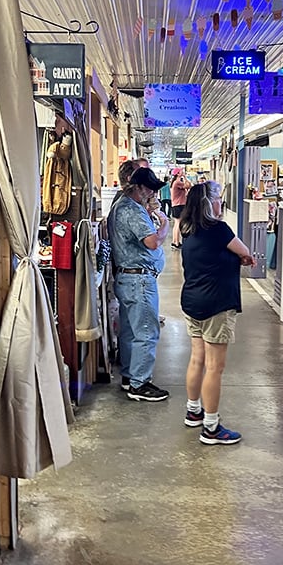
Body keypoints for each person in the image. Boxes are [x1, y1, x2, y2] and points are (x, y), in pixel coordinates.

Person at [179, 180, 255, 445]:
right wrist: (240, 258)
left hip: (192, 301)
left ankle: (194, 411)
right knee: (214, 367)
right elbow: (245, 252)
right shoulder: (219, 230)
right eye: (218, 198)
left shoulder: (187, 229)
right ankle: (211, 427)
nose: (220, 203)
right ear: (208, 202)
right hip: (216, 304)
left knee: (197, 359)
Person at [108, 166, 171, 402]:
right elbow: (152, 242)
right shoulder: (132, 210)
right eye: (151, 189)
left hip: (128, 278)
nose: (153, 193)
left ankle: (129, 375)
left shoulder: (121, 205)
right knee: (146, 330)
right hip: (139, 280)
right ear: (141, 188)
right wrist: (164, 225)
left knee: (130, 330)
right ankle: (140, 383)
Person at [170, 169, 189, 249]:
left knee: (176, 223)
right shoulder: (178, 182)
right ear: (178, 174)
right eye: (181, 171)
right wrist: (185, 177)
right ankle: (176, 243)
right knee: (178, 223)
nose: (183, 172)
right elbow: (188, 185)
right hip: (179, 205)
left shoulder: (175, 182)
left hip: (176, 205)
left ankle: (175, 241)